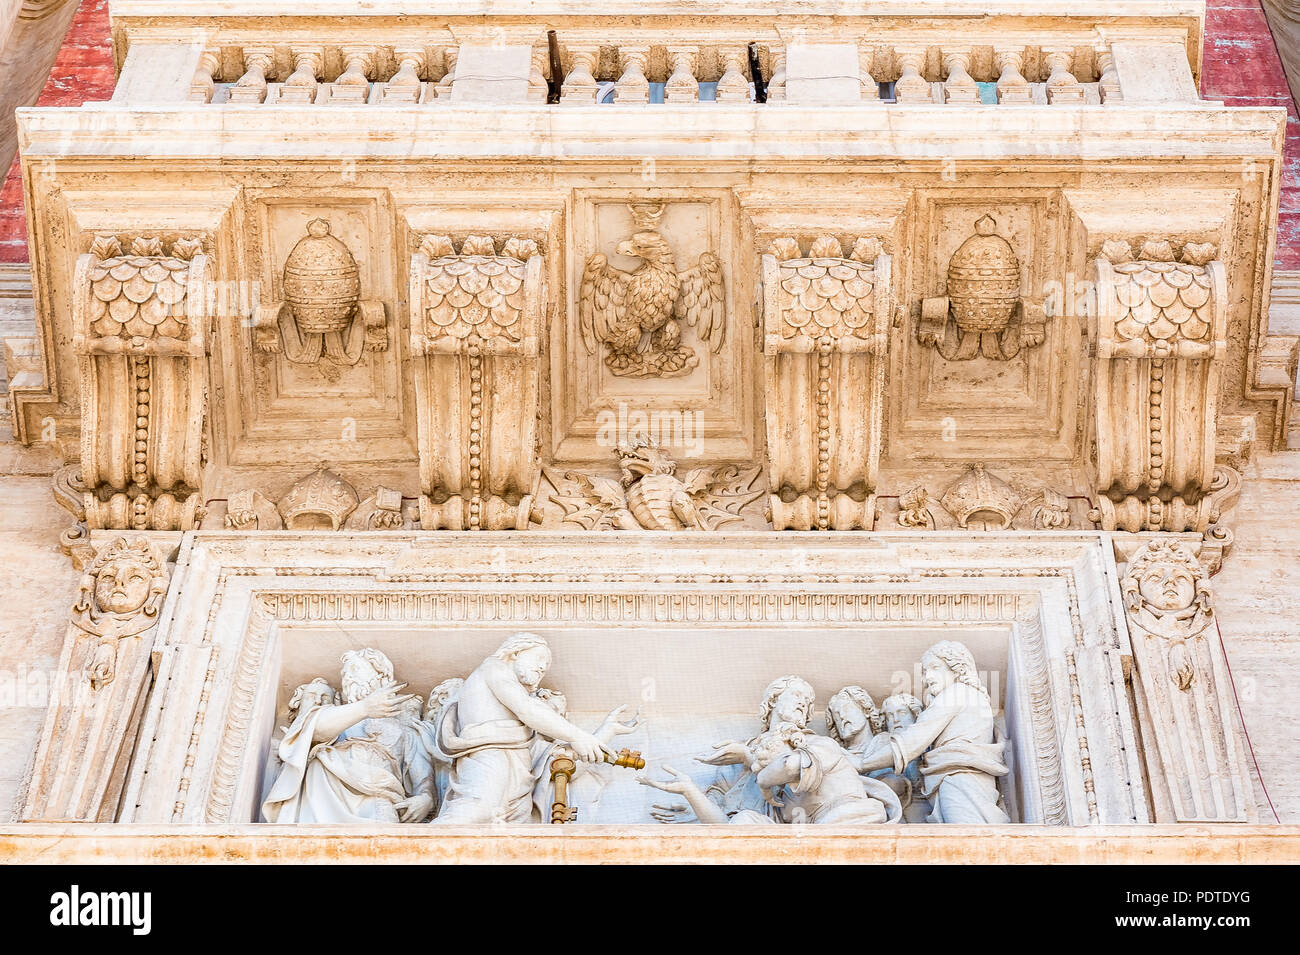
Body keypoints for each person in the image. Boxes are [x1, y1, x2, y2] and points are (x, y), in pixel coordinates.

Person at [430, 633, 618, 824]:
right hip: (490, 756)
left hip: (517, 766)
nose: (543, 667)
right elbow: (526, 708)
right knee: (477, 809)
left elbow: (565, 763)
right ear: (515, 653)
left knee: (511, 825)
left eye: (545, 667)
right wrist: (577, 736)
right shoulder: (494, 667)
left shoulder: (526, 734)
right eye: (540, 659)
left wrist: (605, 732)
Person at [261, 648, 434, 823]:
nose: (348, 678)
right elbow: (315, 729)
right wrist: (365, 708)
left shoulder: (404, 727)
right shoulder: (333, 714)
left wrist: (426, 799)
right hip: (325, 795)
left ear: (381, 675)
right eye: (345, 674)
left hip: (380, 795)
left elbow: (422, 774)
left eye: (355, 670)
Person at [856, 641, 1009, 823]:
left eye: (935, 668)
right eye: (924, 671)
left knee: (968, 838)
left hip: (959, 779)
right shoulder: (972, 697)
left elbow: (911, 742)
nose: (927, 677)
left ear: (957, 669)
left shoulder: (957, 692)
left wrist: (861, 764)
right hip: (960, 778)